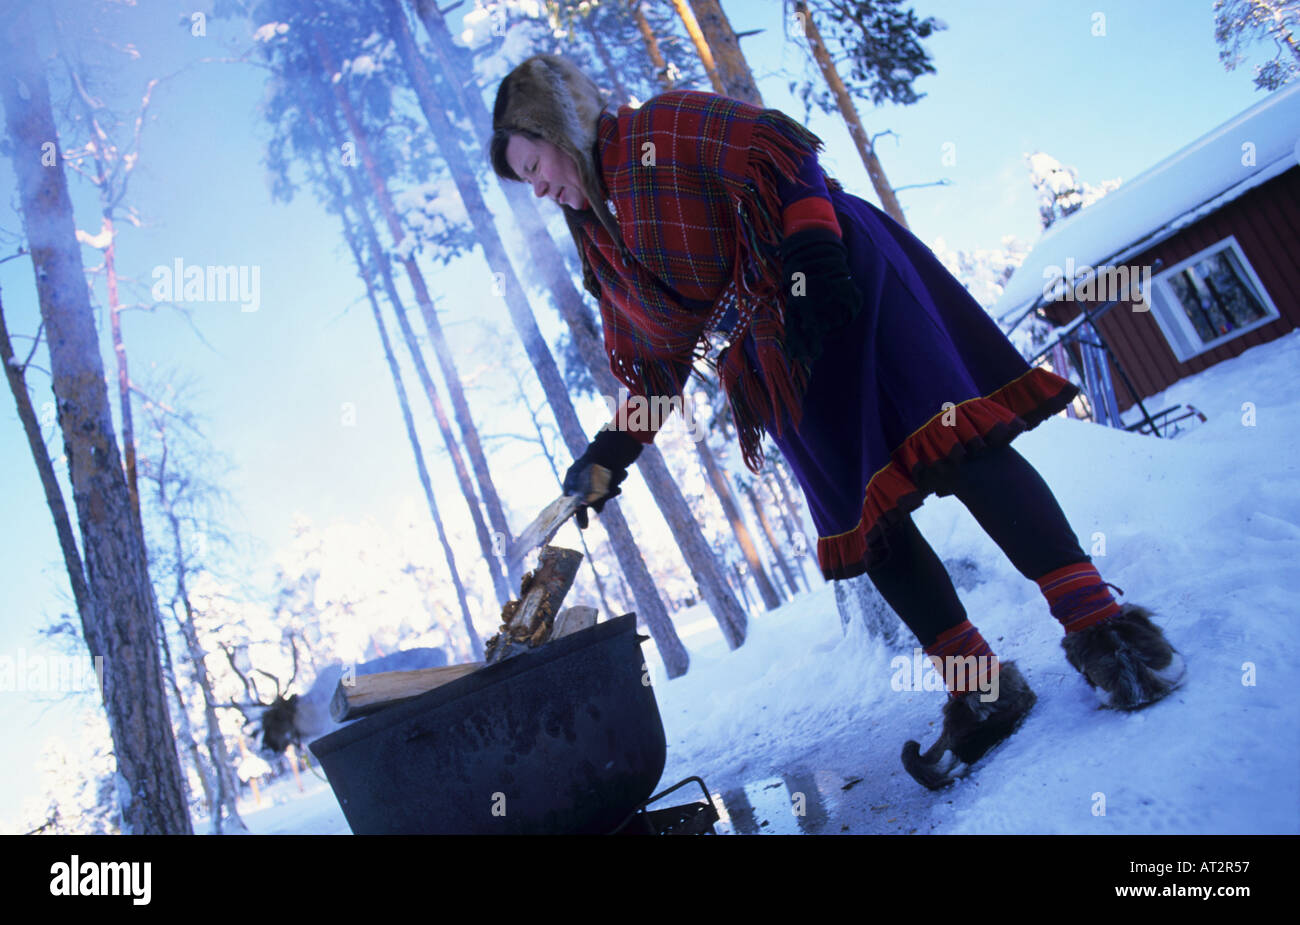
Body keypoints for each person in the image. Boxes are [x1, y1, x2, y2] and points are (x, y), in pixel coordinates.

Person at [489, 54, 1185, 789]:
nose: (535, 186)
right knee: (867, 525)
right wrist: (610, 452)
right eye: (523, 179)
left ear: (561, 125)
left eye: (532, 162)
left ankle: (1105, 630)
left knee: (958, 447)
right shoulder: (600, 242)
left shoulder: (661, 126)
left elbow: (784, 156)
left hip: (839, 277)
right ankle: (980, 685)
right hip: (773, 355)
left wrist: (814, 254)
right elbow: (659, 363)